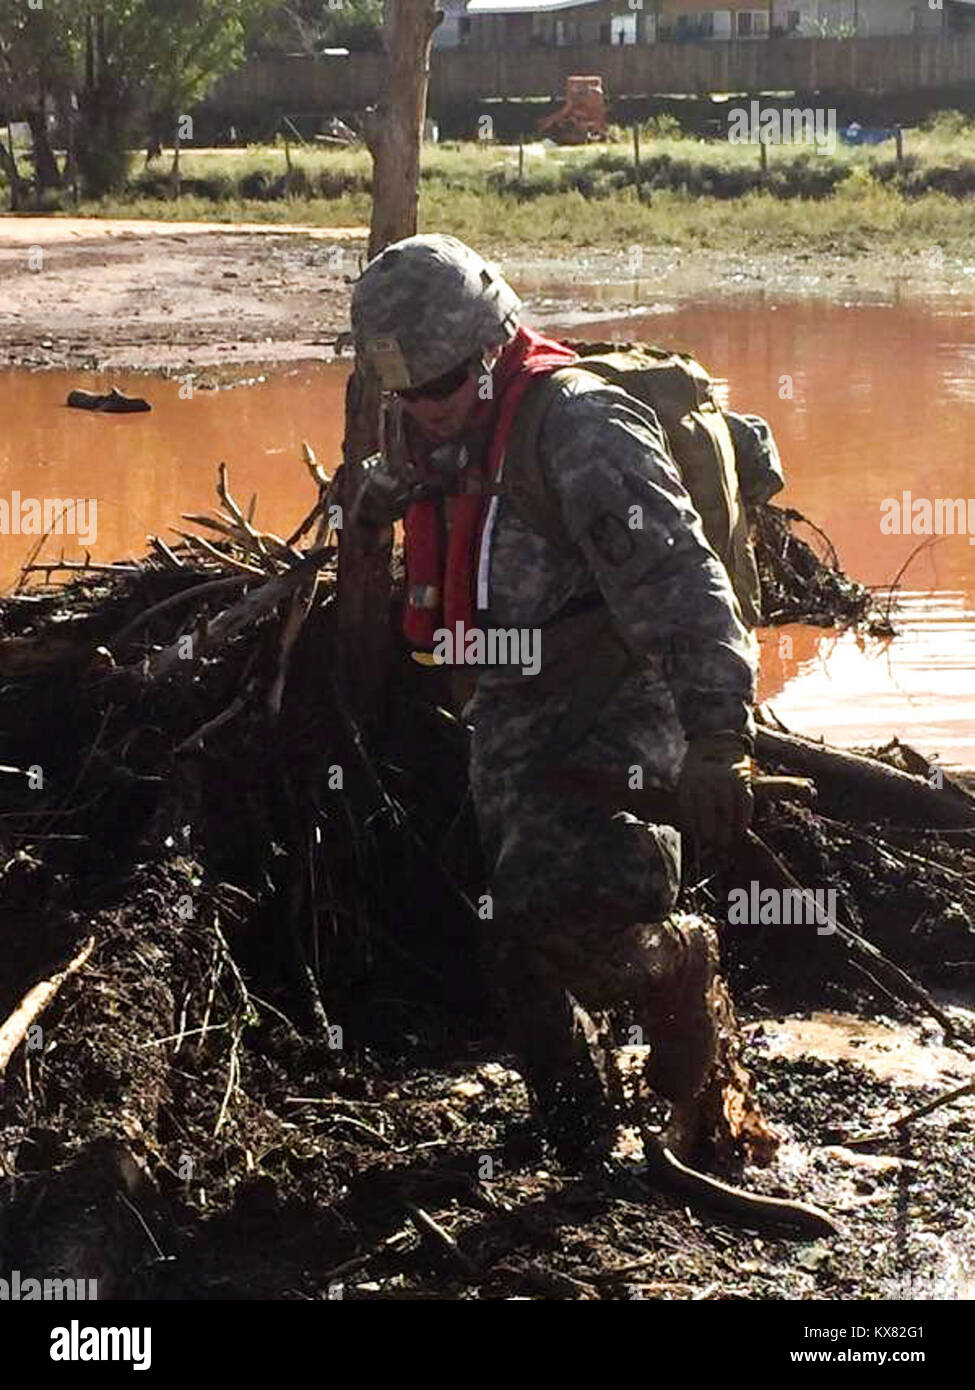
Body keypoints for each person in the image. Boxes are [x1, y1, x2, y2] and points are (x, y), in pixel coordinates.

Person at [346, 234, 761, 1165]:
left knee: (585, 923)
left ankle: (680, 961)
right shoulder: (429, 413)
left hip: (612, 699)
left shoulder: (583, 432)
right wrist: (372, 503)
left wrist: (716, 739)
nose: (418, 407)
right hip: (507, 703)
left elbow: (684, 588)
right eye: (398, 388)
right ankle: (576, 1131)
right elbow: (418, 478)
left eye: (435, 386)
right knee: (509, 929)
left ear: (493, 349)